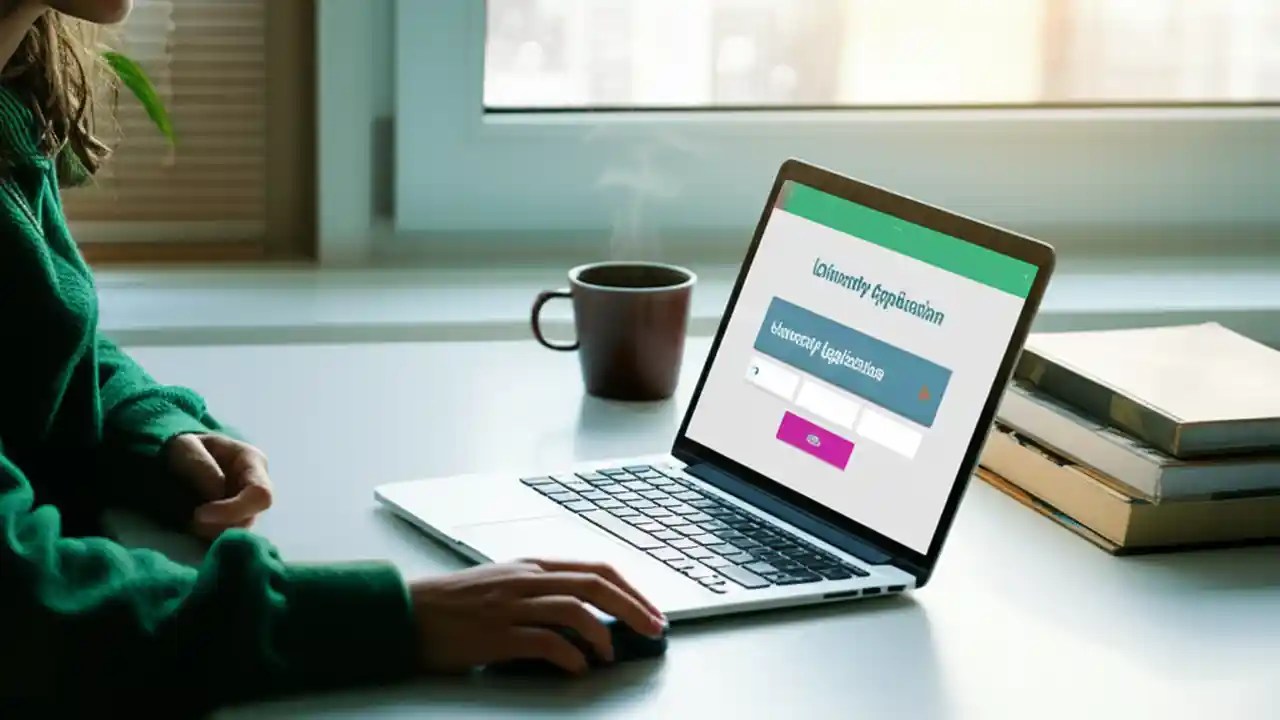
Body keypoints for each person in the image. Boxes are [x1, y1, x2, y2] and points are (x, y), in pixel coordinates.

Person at [0, 0, 665, 713]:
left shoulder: (16, 86)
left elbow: (28, 337)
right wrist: (400, 618)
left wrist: (150, 431)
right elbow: (24, 613)